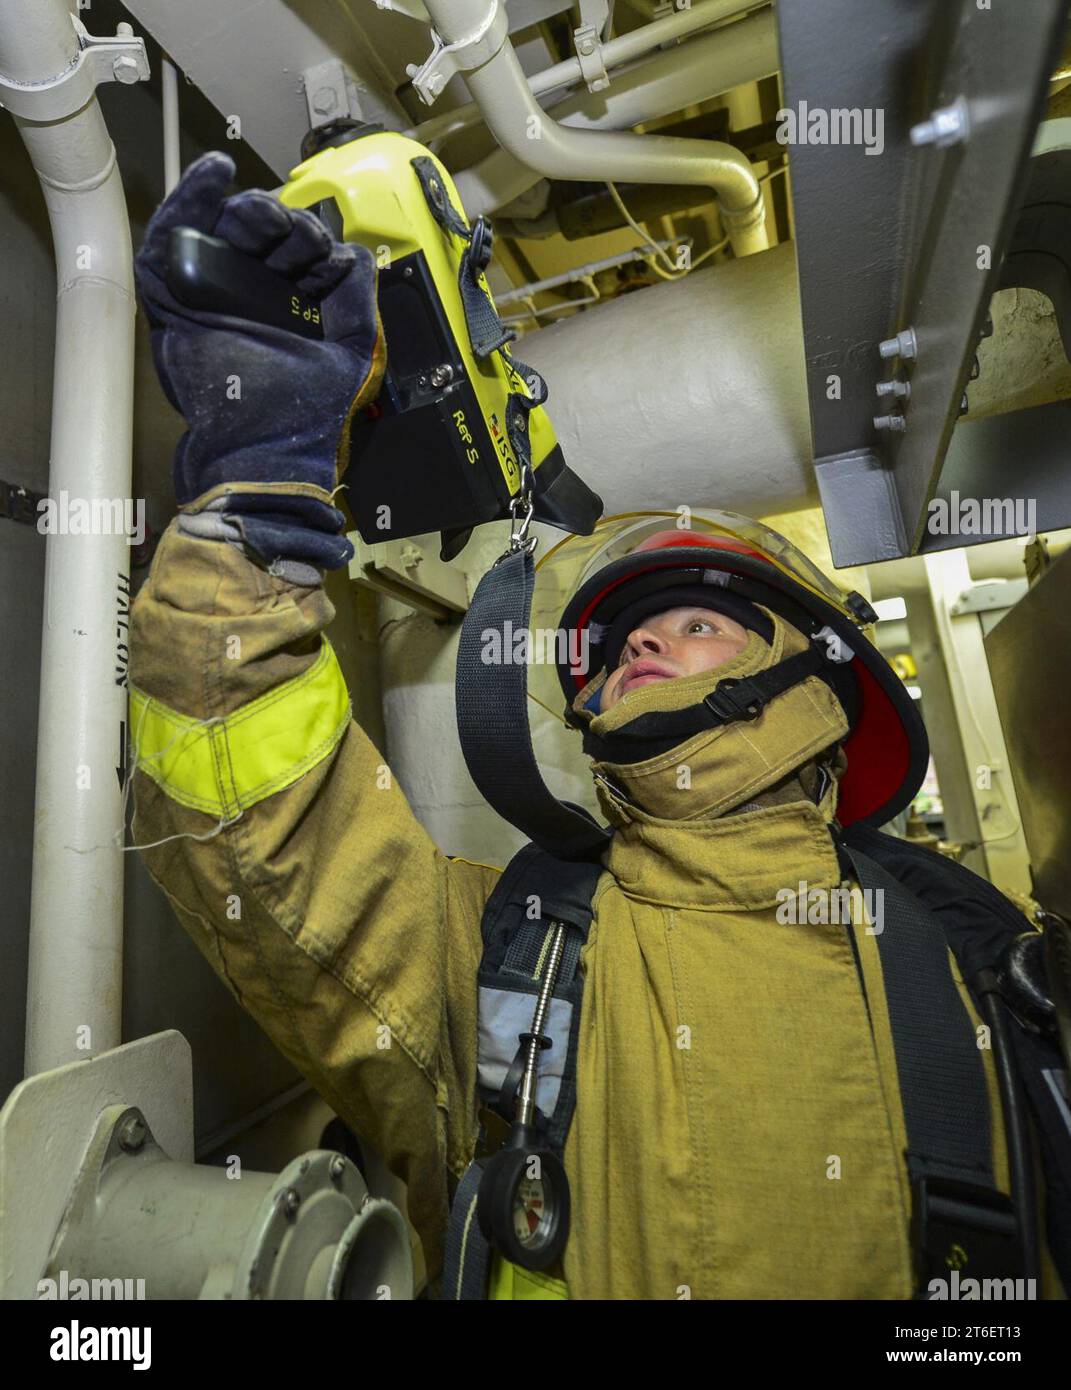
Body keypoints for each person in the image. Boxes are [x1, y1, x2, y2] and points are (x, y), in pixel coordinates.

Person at [128, 155, 1068, 1300]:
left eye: (692, 619)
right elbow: (261, 826)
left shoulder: (990, 978)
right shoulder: (508, 948)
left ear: (818, 687)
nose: (637, 647)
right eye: (619, 640)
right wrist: (258, 492)